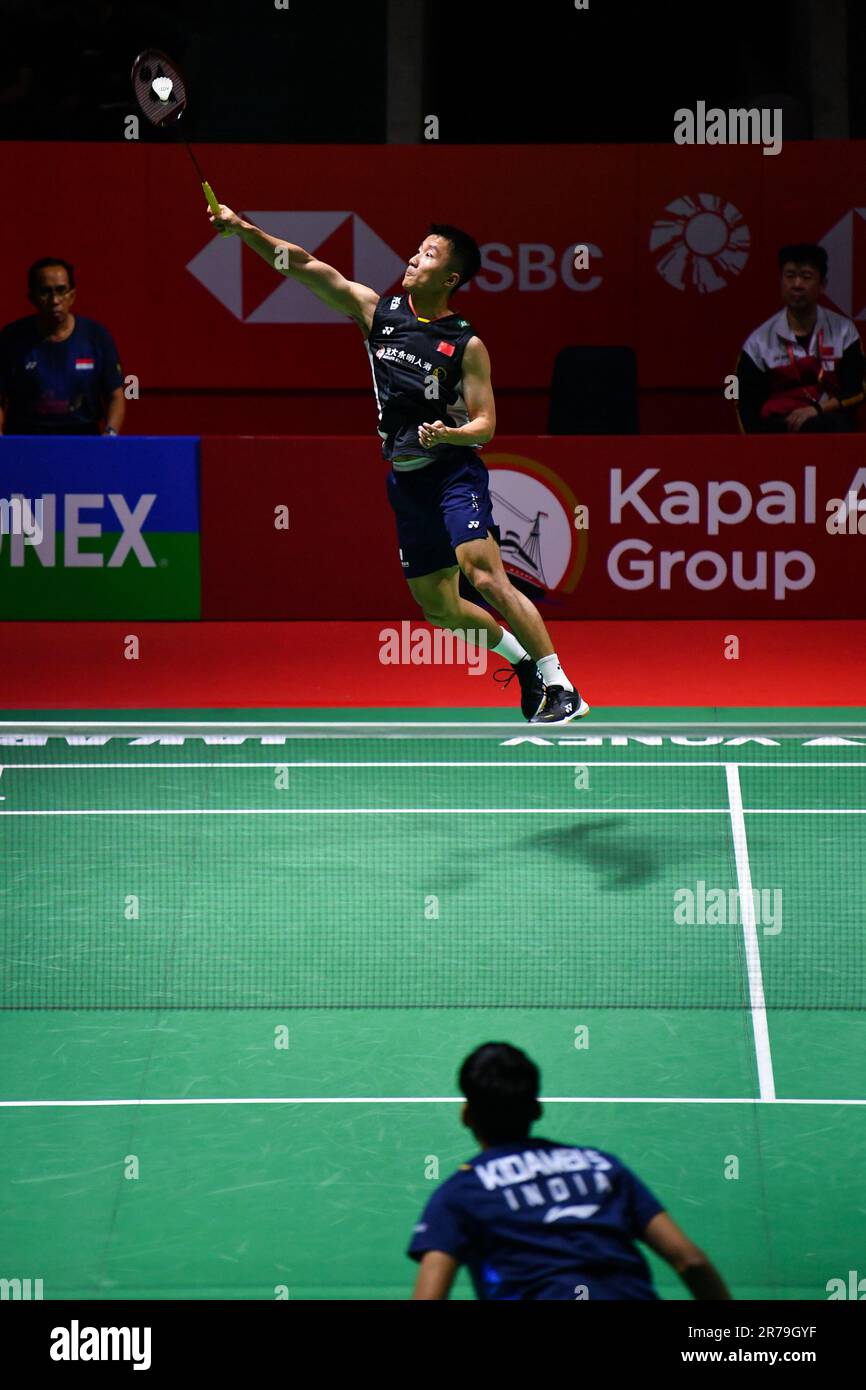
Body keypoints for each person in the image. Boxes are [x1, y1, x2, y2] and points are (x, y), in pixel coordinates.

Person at [208, 203, 589, 726]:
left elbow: (486, 424)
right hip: (406, 482)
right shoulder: (376, 313)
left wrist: (453, 433)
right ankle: (522, 665)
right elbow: (302, 265)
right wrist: (243, 230)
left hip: (454, 473)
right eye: (417, 248)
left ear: (450, 277)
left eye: (428, 254)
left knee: (484, 574)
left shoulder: (465, 344)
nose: (414, 258)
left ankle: (562, 684)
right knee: (439, 607)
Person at [408, 1042, 731, 1301]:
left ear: (466, 1116)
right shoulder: (602, 1167)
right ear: (537, 1109)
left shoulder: (459, 1194)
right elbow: (691, 1262)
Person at [735, 243, 865, 433]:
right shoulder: (758, 342)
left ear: (822, 285)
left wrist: (816, 410)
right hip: (780, 428)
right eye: (790, 276)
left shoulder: (844, 331)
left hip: (830, 424)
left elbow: (858, 388)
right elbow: (741, 399)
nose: (797, 284)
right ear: (781, 282)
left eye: (806, 277)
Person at [0, 258, 125, 437]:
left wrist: (110, 433)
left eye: (61, 290)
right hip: (25, 441)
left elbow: (116, 396)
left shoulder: (97, 337)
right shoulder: (10, 338)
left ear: (72, 295)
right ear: (32, 297)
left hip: (83, 440)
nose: (55, 300)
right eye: (45, 292)